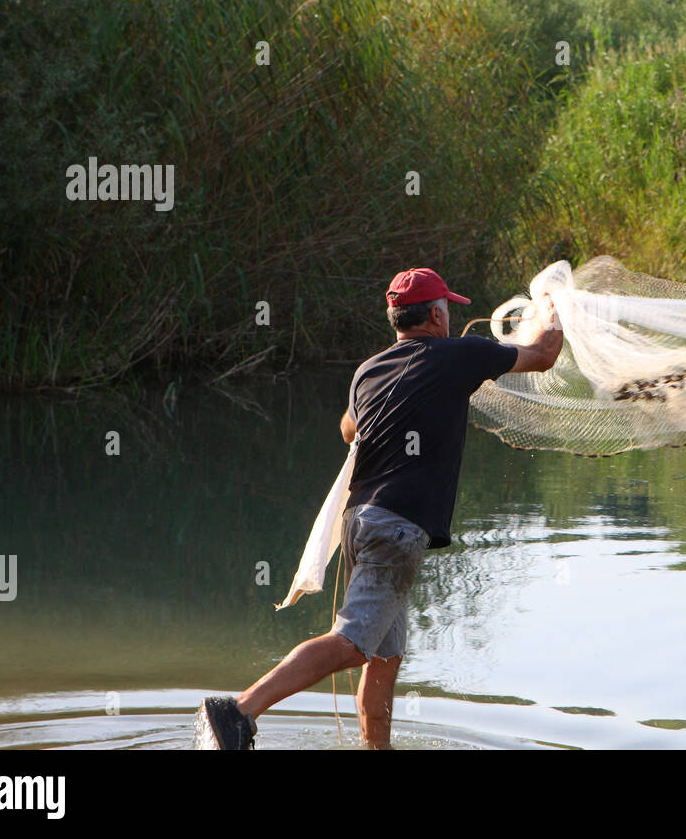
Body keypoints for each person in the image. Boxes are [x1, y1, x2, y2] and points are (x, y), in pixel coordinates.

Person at [199, 267, 562, 749]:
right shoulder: (459, 354)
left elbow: (349, 429)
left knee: (383, 660)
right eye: (448, 309)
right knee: (351, 642)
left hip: (362, 521)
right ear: (436, 315)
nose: (450, 318)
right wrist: (556, 303)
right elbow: (542, 355)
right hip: (396, 530)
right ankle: (239, 711)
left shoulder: (368, 370)